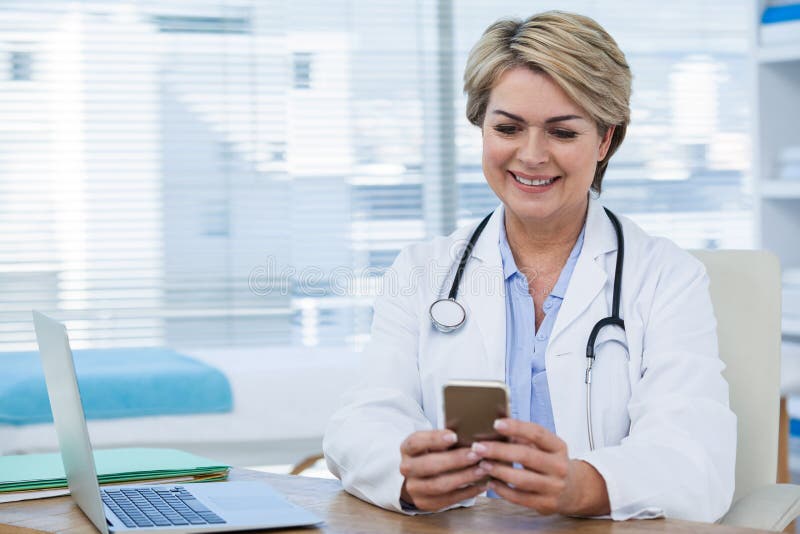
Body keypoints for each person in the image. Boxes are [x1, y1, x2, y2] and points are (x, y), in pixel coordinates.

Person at [323, 10, 735, 523]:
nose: (532, 155)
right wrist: (405, 473)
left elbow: (697, 458)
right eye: (508, 128)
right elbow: (362, 419)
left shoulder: (667, 277)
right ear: (482, 129)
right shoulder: (423, 270)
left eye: (562, 132)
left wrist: (584, 486)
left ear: (605, 140)